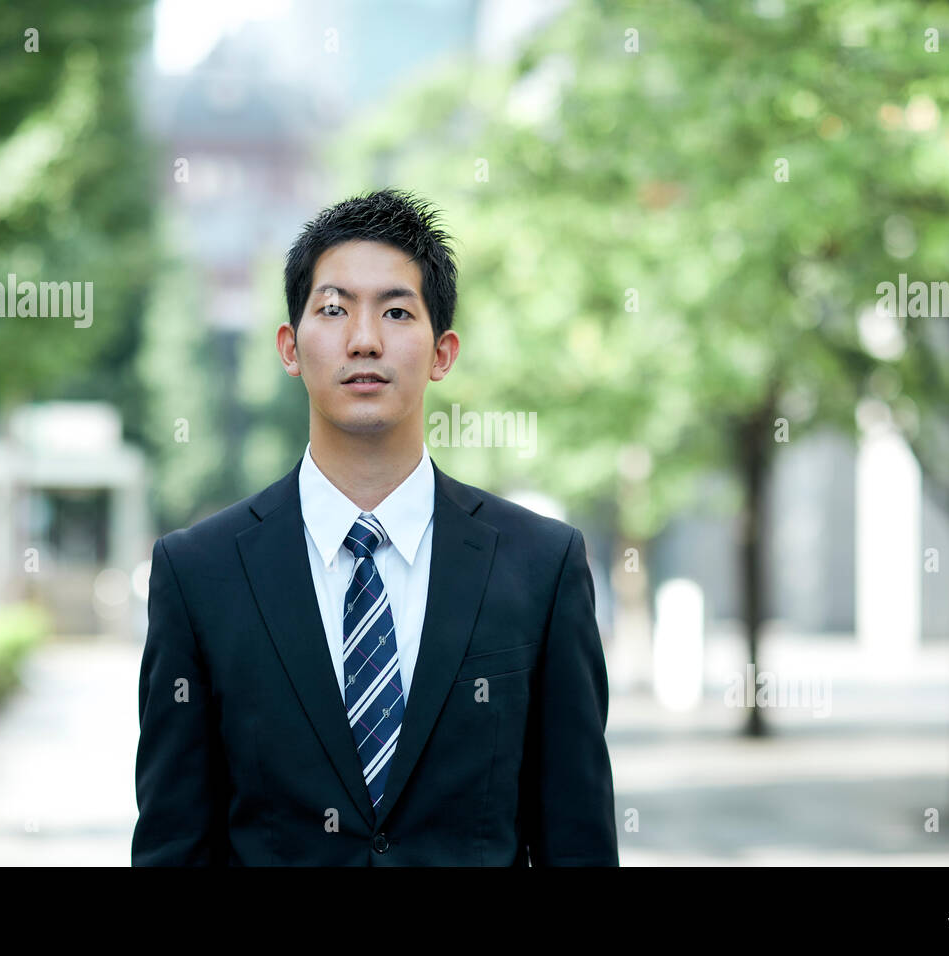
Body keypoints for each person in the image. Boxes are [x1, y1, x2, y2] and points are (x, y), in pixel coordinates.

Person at [131, 187, 618, 866]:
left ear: (443, 353)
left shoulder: (540, 567)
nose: (363, 339)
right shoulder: (200, 575)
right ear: (289, 347)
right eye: (332, 310)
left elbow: (579, 844)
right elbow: (174, 848)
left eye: (395, 311)